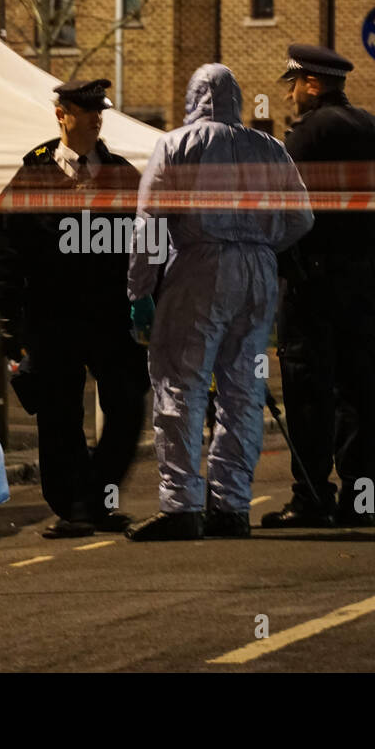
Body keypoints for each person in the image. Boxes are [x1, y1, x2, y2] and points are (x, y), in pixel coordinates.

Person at [125, 64, 313, 541]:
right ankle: (231, 505)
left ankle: (182, 505)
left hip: (199, 267)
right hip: (258, 274)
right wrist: (262, 243)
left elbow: (150, 224)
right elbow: (302, 218)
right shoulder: (270, 147)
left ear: (193, 98)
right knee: (243, 391)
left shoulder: (176, 145)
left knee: (180, 385)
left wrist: (141, 290)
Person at [0, 78, 149, 538]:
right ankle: (73, 507)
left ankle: (96, 498)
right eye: (87, 111)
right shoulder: (32, 176)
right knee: (59, 414)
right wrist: (10, 320)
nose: (97, 118)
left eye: (100, 111)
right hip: (52, 316)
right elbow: (6, 253)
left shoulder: (121, 174)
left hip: (110, 314)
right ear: (62, 115)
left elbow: (148, 240)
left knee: (127, 404)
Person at [263, 44, 375, 528]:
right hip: (362, 278)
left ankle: (312, 496)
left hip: (311, 283)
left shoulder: (307, 134)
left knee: (308, 392)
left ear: (313, 84)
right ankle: (361, 499)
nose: (290, 95)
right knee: (359, 392)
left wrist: (283, 264)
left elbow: (282, 206)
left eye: (294, 85)